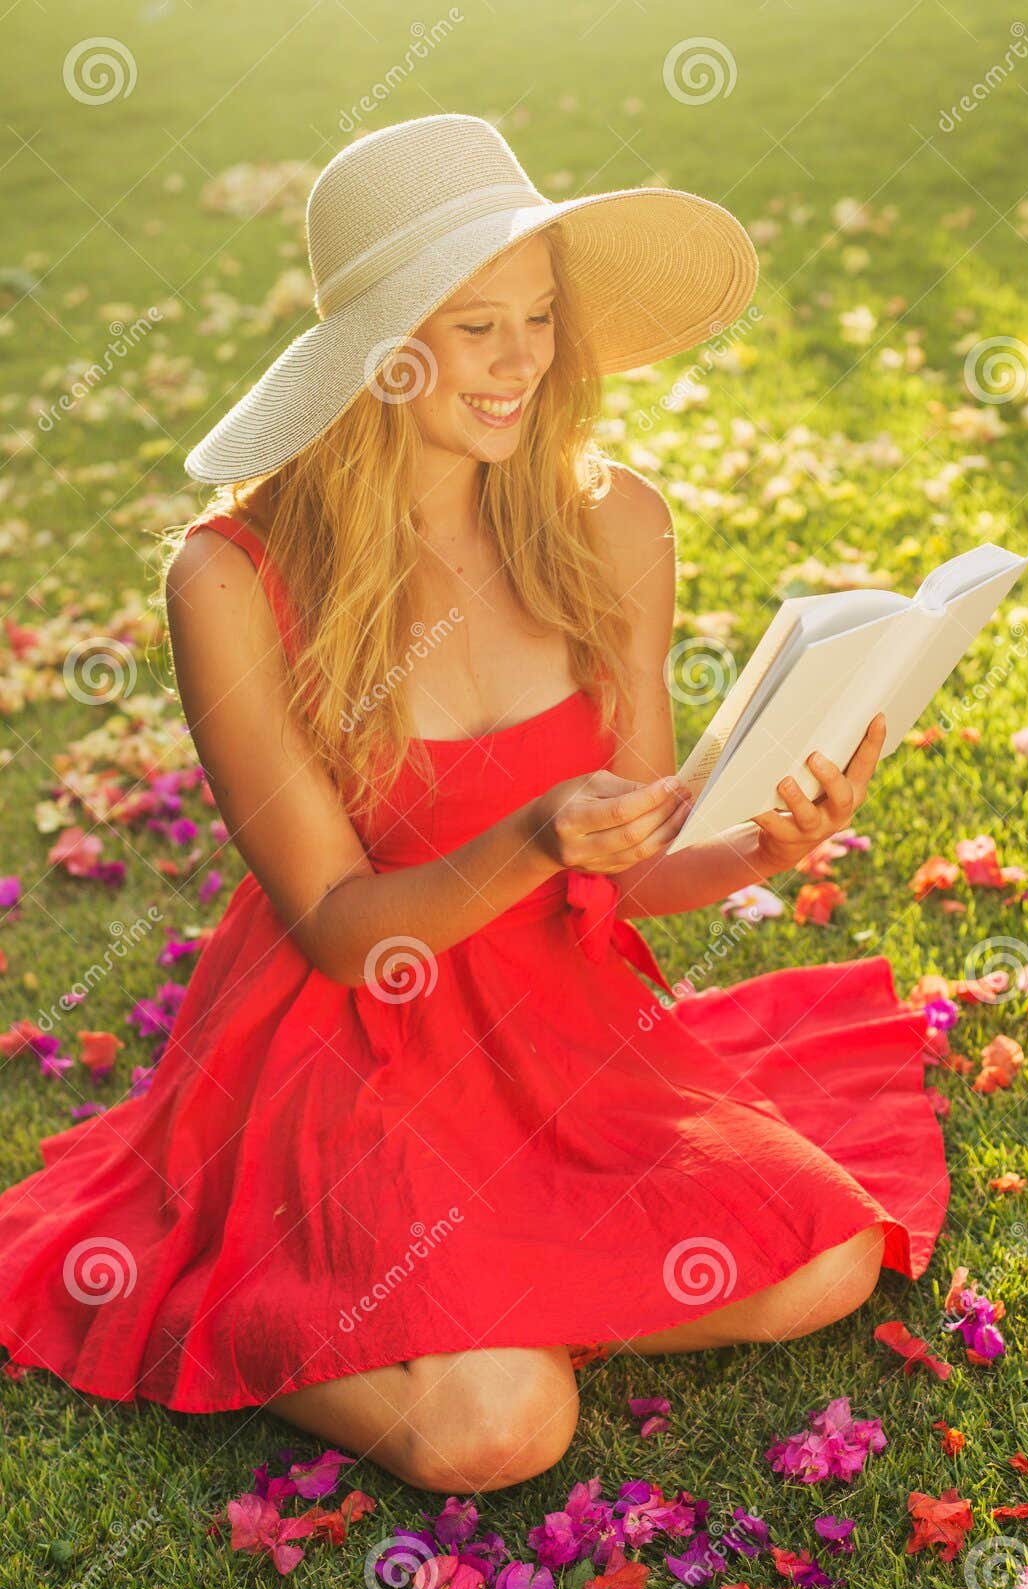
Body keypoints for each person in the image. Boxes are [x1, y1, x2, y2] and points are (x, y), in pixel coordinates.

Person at [0, 114, 949, 1496]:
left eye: (539, 319)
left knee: (827, 1257)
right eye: (474, 327)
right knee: (493, 1436)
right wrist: (530, 836)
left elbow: (629, 852)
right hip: (351, 1039)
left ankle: (499, 1289)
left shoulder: (610, 518)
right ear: (374, 351)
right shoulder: (232, 575)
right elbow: (332, 924)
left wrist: (754, 841)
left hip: (558, 1015)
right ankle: (243, 1291)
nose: (523, 364)